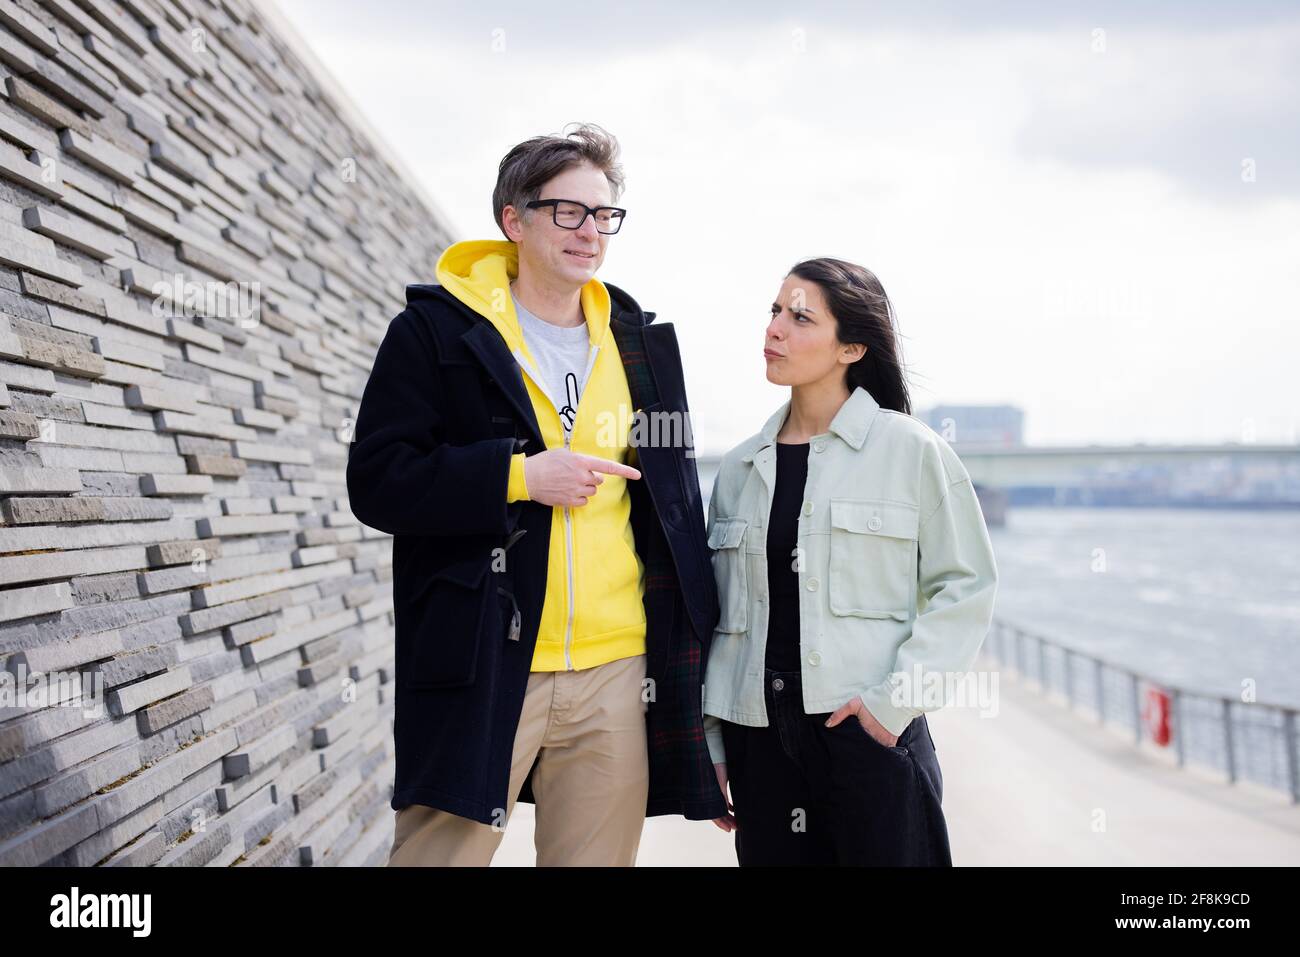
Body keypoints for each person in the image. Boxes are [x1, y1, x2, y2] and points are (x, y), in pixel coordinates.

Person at [346, 123, 725, 866]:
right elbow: (377, 479)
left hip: (617, 669)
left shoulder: (640, 344)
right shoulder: (435, 333)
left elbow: (675, 513)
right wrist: (518, 476)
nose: (591, 231)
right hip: (482, 656)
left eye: (604, 214)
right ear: (513, 220)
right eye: (569, 211)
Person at [702, 258, 998, 865]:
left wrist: (891, 707)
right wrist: (711, 738)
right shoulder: (738, 468)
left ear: (852, 347)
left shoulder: (911, 450)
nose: (775, 330)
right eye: (775, 311)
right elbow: (719, 614)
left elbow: (965, 585)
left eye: (800, 317)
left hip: (865, 734)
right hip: (758, 746)